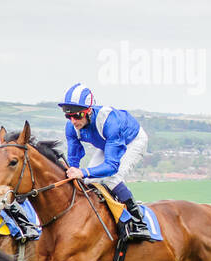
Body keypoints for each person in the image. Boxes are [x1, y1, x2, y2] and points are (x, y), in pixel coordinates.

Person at [59, 83, 151, 238]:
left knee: (111, 179)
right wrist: (71, 172)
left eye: (78, 115)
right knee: (87, 182)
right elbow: (73, 159)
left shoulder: (109, 122)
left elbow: (112, 166)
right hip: (106, 144)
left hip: (132, 141)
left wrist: (83, 172)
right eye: (69, 116)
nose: (73, 121)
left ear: (88, 111)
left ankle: (138, 223)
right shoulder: (71, 128)